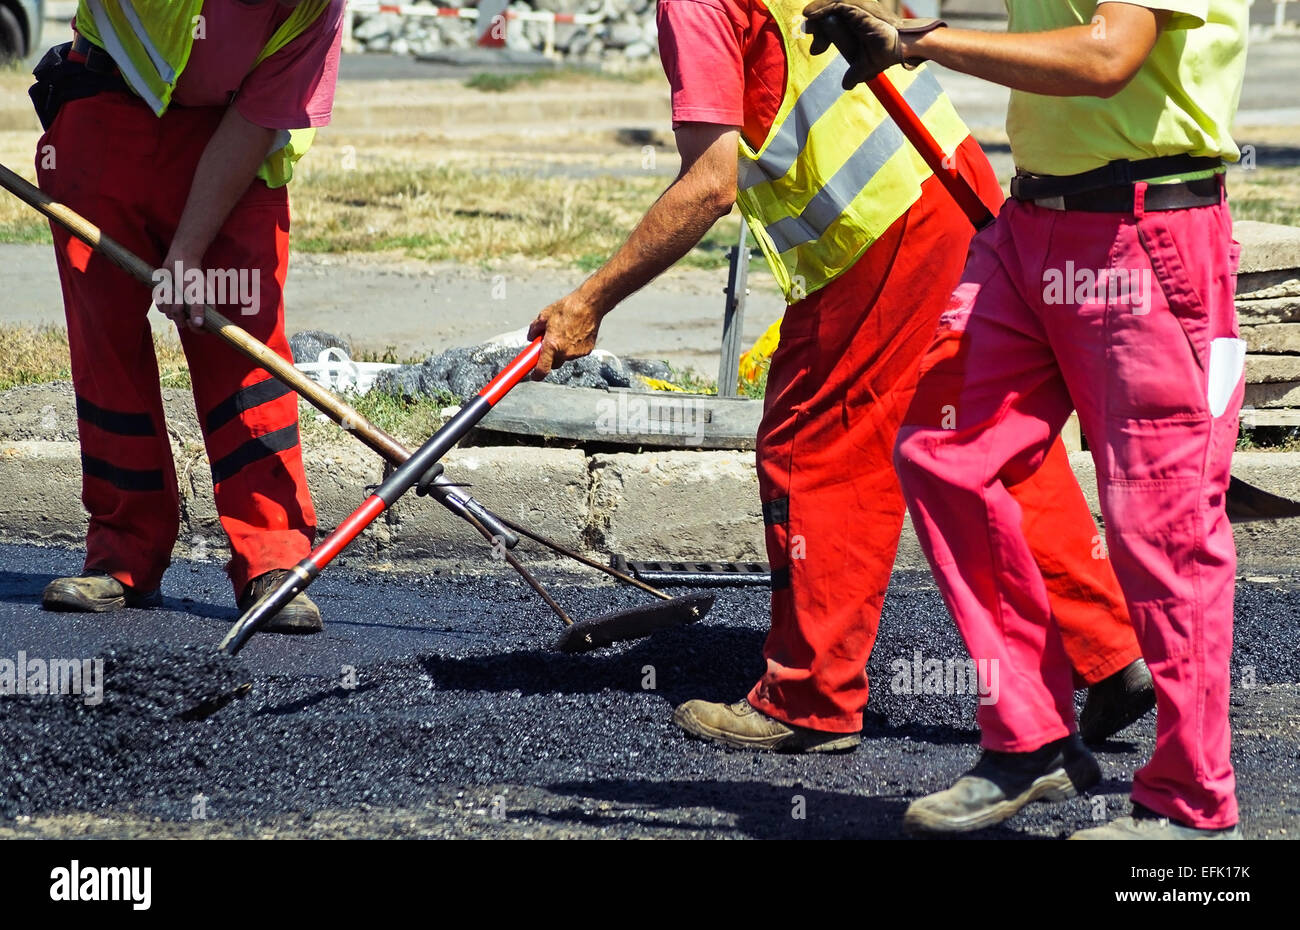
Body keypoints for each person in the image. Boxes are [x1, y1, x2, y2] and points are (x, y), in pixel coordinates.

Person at [528, 0, 1155, 753]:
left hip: (872, 232)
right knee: (984, 436)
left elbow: (710, 185)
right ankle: (1110, 648)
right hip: (950, 176)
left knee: (813, 448)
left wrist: (589, 302)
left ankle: (808, 698)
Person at [805, 0, 1246, 836]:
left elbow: (1109, 54)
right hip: (1032, 226)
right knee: (943, 452)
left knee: (1161, 527)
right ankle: (1030, 741)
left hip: (1147, 231)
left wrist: (917, 44)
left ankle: (1190, 802)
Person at [34, 0, 346, 633]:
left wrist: (189, 250)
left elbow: (259, 115)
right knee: (106, 342)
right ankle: (122, 550)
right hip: (107, 108)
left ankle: (273, 555)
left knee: (245, 342)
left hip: (231, 133)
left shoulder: (318, 6)